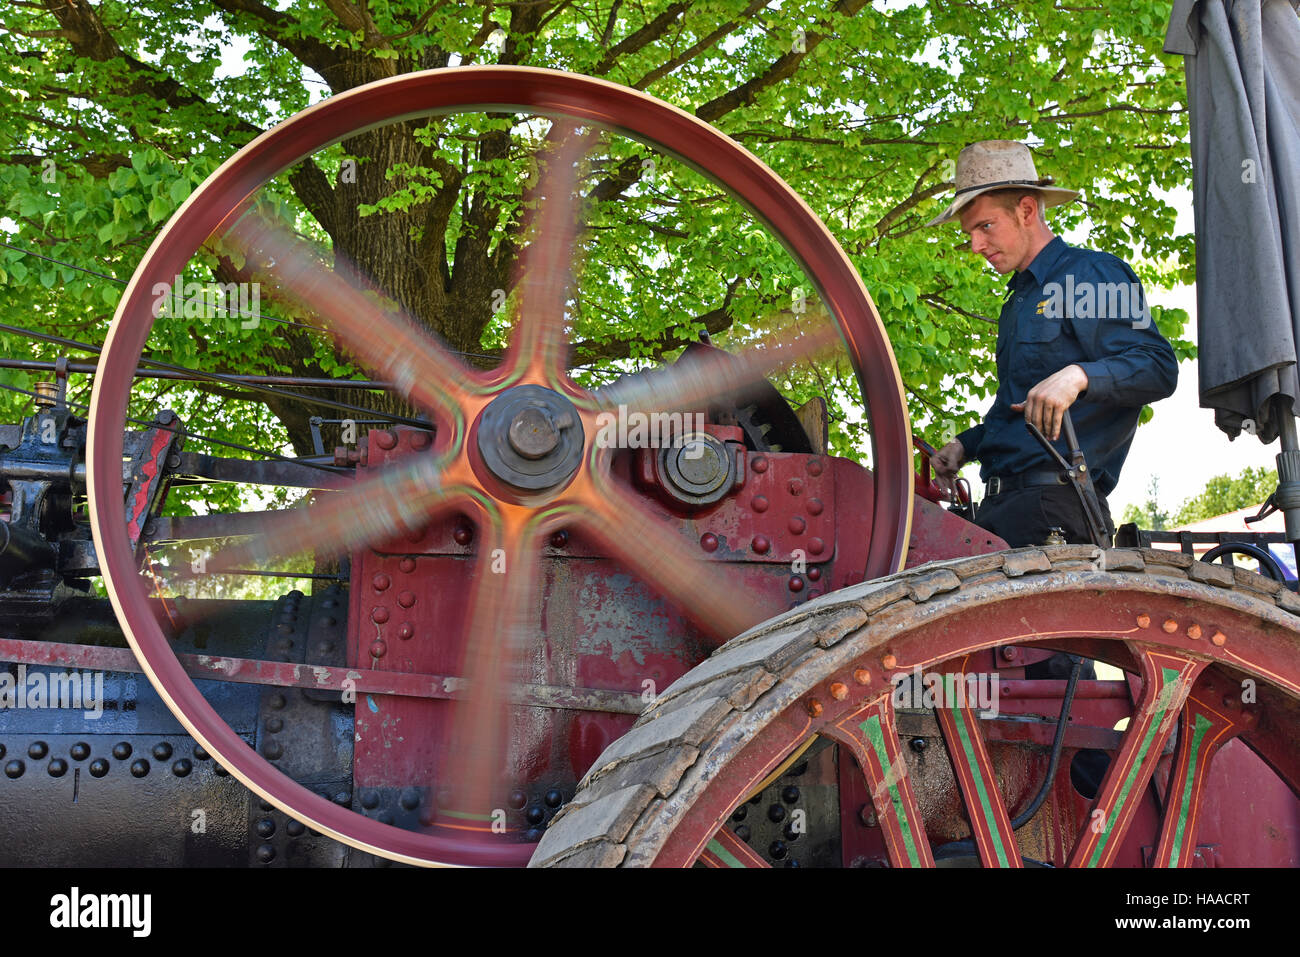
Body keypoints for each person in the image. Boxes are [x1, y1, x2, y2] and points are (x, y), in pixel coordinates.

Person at [926, 140, 1179, 549]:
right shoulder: (1018, 299)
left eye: (985, 226)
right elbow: (1015, 405)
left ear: (1026, 210)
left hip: (1055, 512)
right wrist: (964, 445)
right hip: (1000, 510)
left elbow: (1158, 367)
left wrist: (1077, 376)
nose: (975, 246)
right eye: (969, 232)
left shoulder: (1090, 275)